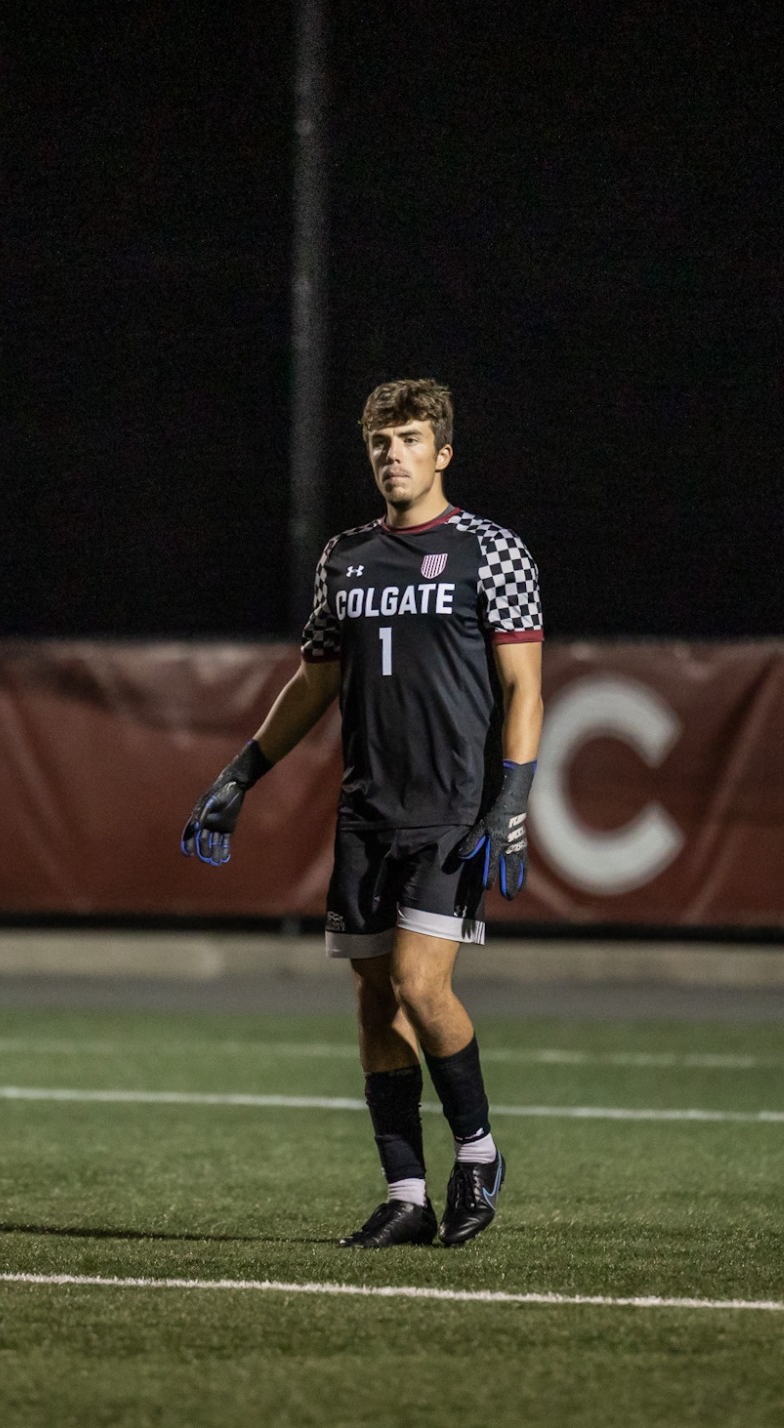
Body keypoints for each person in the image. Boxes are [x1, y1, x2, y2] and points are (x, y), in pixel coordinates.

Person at [181, 377, 545, 1249]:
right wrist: (241, 774)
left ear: (443, 451)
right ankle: (407, 1194)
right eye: (381, 441)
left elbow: (524, 683)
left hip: (450, 811)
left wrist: (513, 798)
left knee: (423, 985)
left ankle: (481, 1153)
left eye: (411, 438)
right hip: (366, 813)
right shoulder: (345, 558)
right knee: (375, 1004)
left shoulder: (491, 551)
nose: (393, 454)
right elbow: (315, 682)